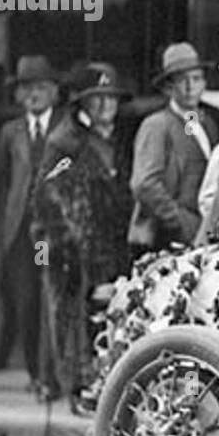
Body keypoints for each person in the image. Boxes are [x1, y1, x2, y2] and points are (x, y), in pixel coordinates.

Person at [33, 63, 134, 412]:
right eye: (97, 99)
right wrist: (67, 245)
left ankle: (100, 387)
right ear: (81, 104)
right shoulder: (65, 143)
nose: (106, 105)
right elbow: (48, 197)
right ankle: (76, 388)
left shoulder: (116, 138)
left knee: (105, 318)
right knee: (71, 318)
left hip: (110, 243)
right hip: (72, 247)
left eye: (110, 98)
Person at [0, 55, 62, 385]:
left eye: (41, 87)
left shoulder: (67, 126)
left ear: (54, 92)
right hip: (20, 233)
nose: (33, 94)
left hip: (54, 232)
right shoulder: (10, 132)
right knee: (26, 300)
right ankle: (36, 372)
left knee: (52, 298)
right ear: (18, 95)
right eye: (26, 88)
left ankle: (53, 373)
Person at [129, 42, 219, 254]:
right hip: (167, 240)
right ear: (169, 86)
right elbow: (144, 183)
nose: (190, 87)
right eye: (182, 80)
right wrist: (182, 222)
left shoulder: (207, 124)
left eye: (196, 79)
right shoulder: (157, 125)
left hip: (202, 237)